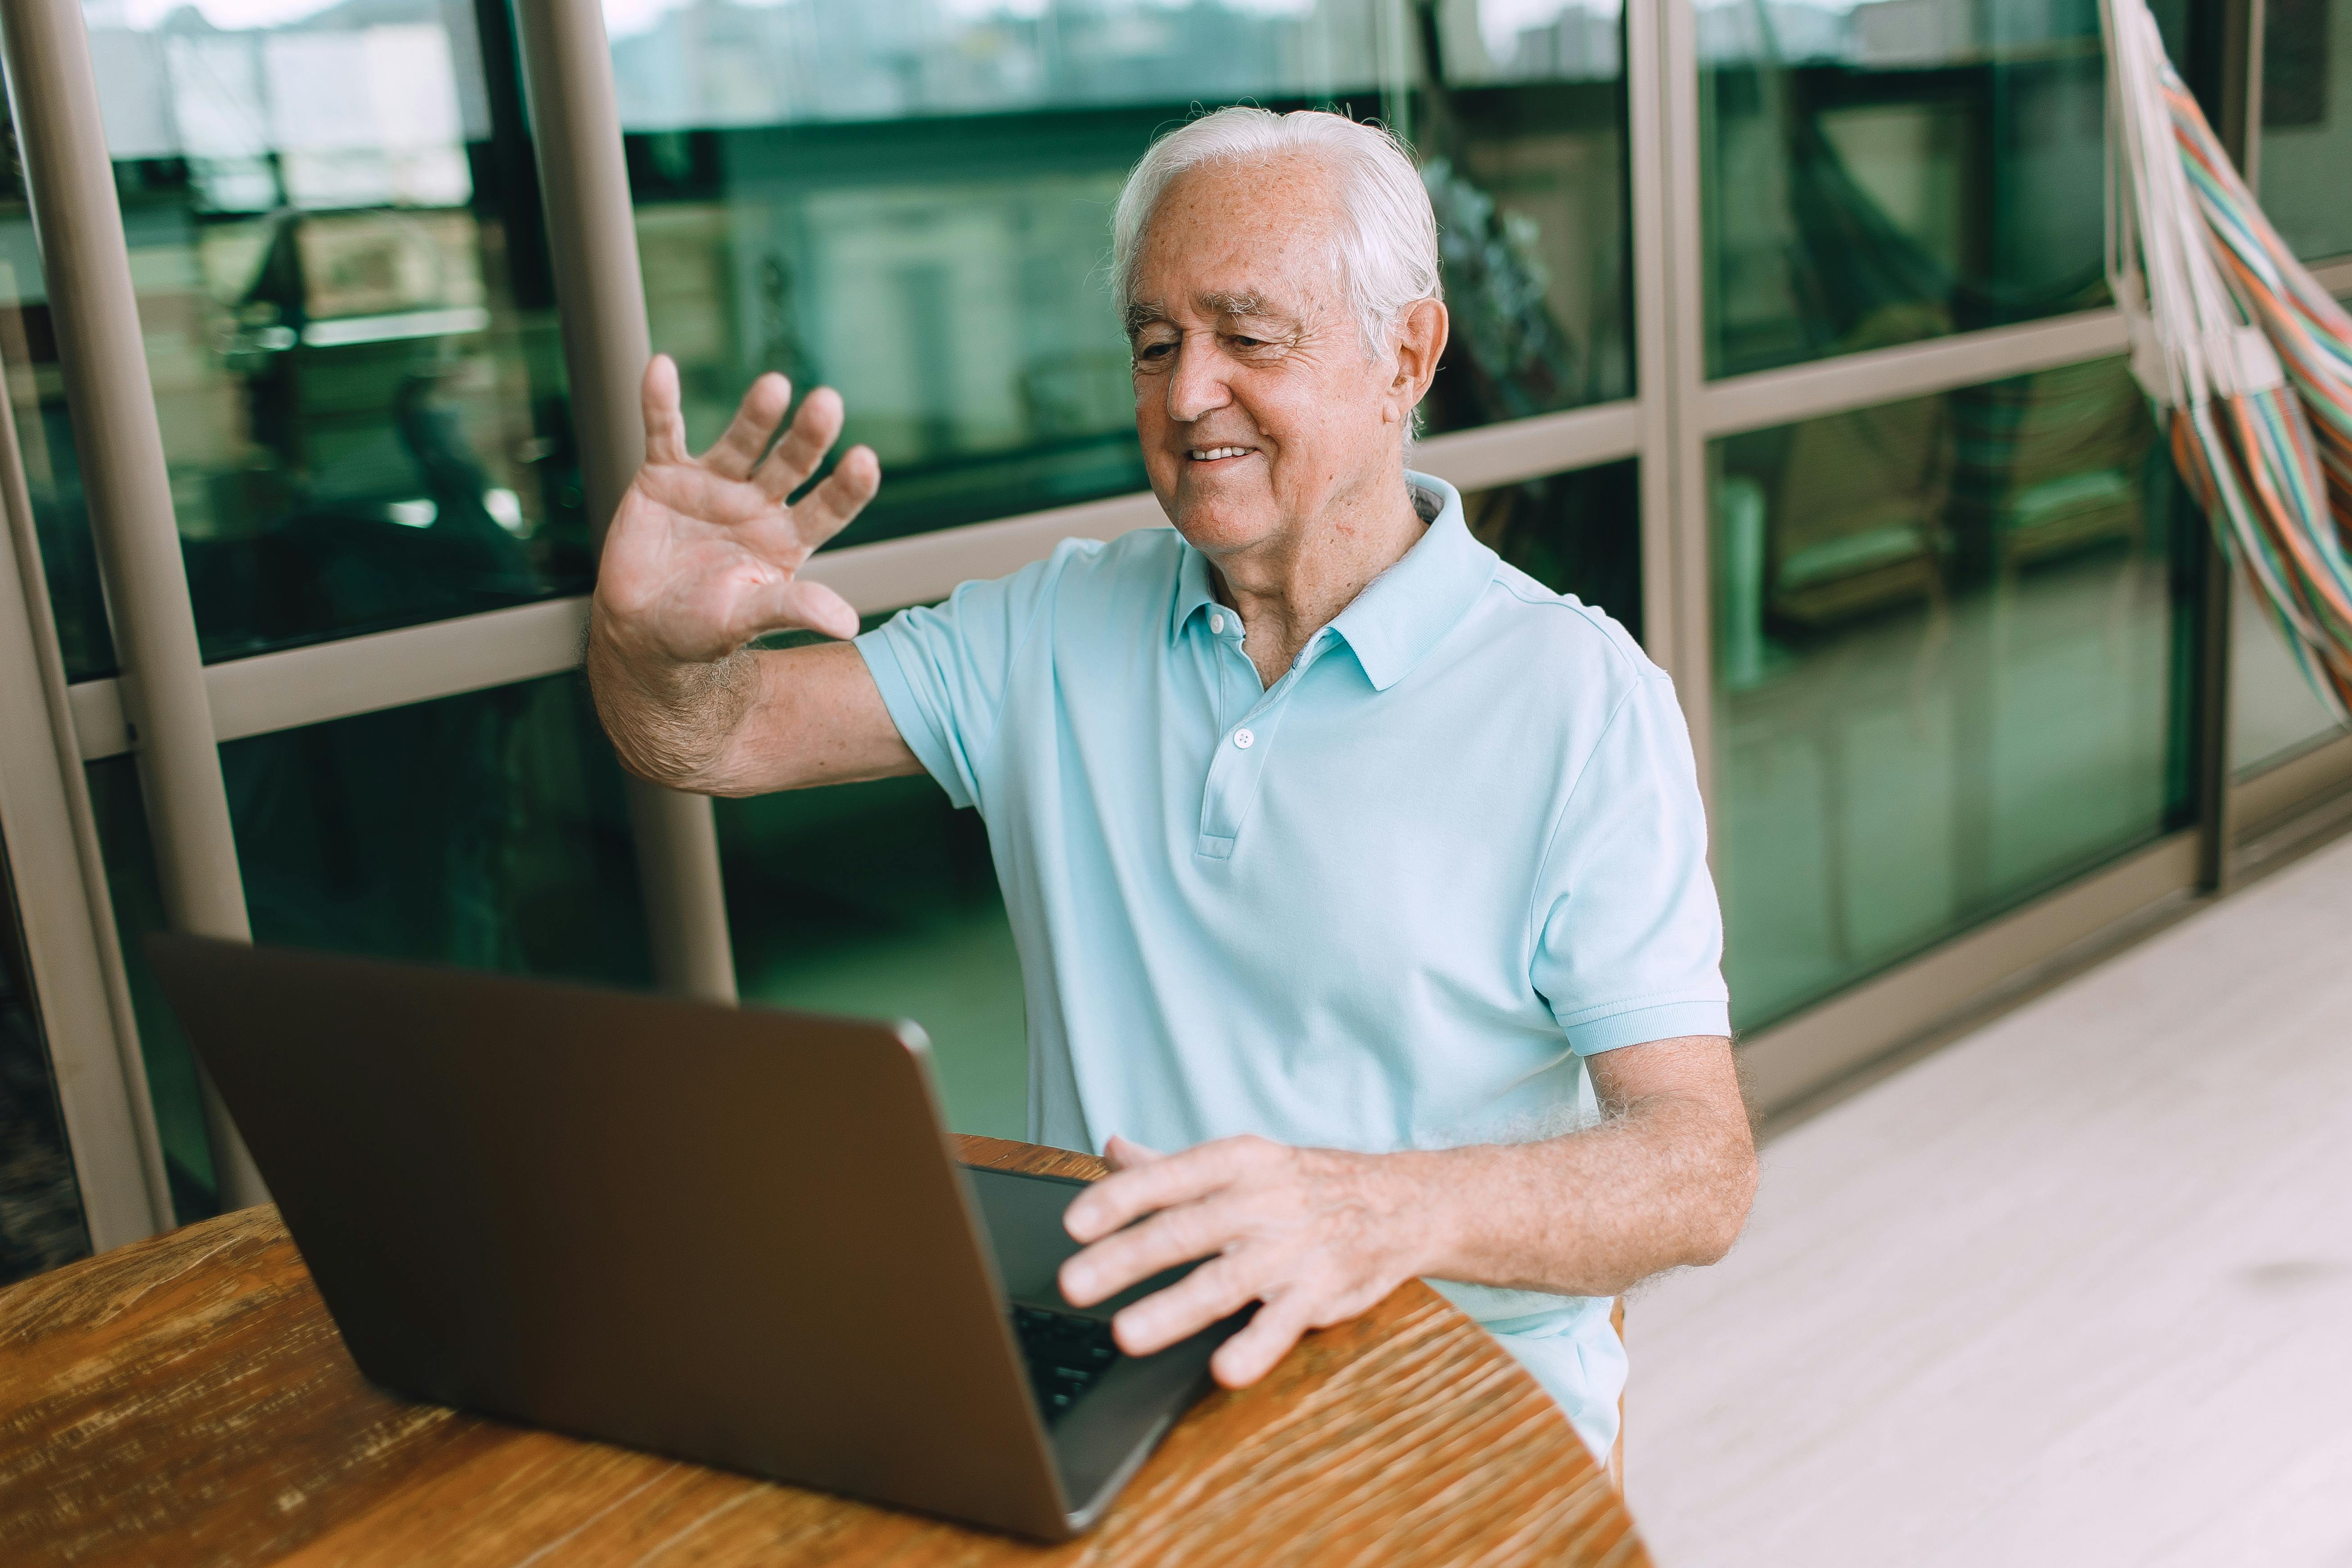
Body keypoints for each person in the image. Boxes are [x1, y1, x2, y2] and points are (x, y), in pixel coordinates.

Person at [586, 107, 1757, 1464]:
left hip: (1444, 1399)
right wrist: (647, 644)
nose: (1188, 390)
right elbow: (710, 735)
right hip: (1112, 1367)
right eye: (1155, 344)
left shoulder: (1578, 698)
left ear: (1407, 355)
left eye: (1249, 337)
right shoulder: (1049, 628)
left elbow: (1696, 1167)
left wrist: (1369, 1212)